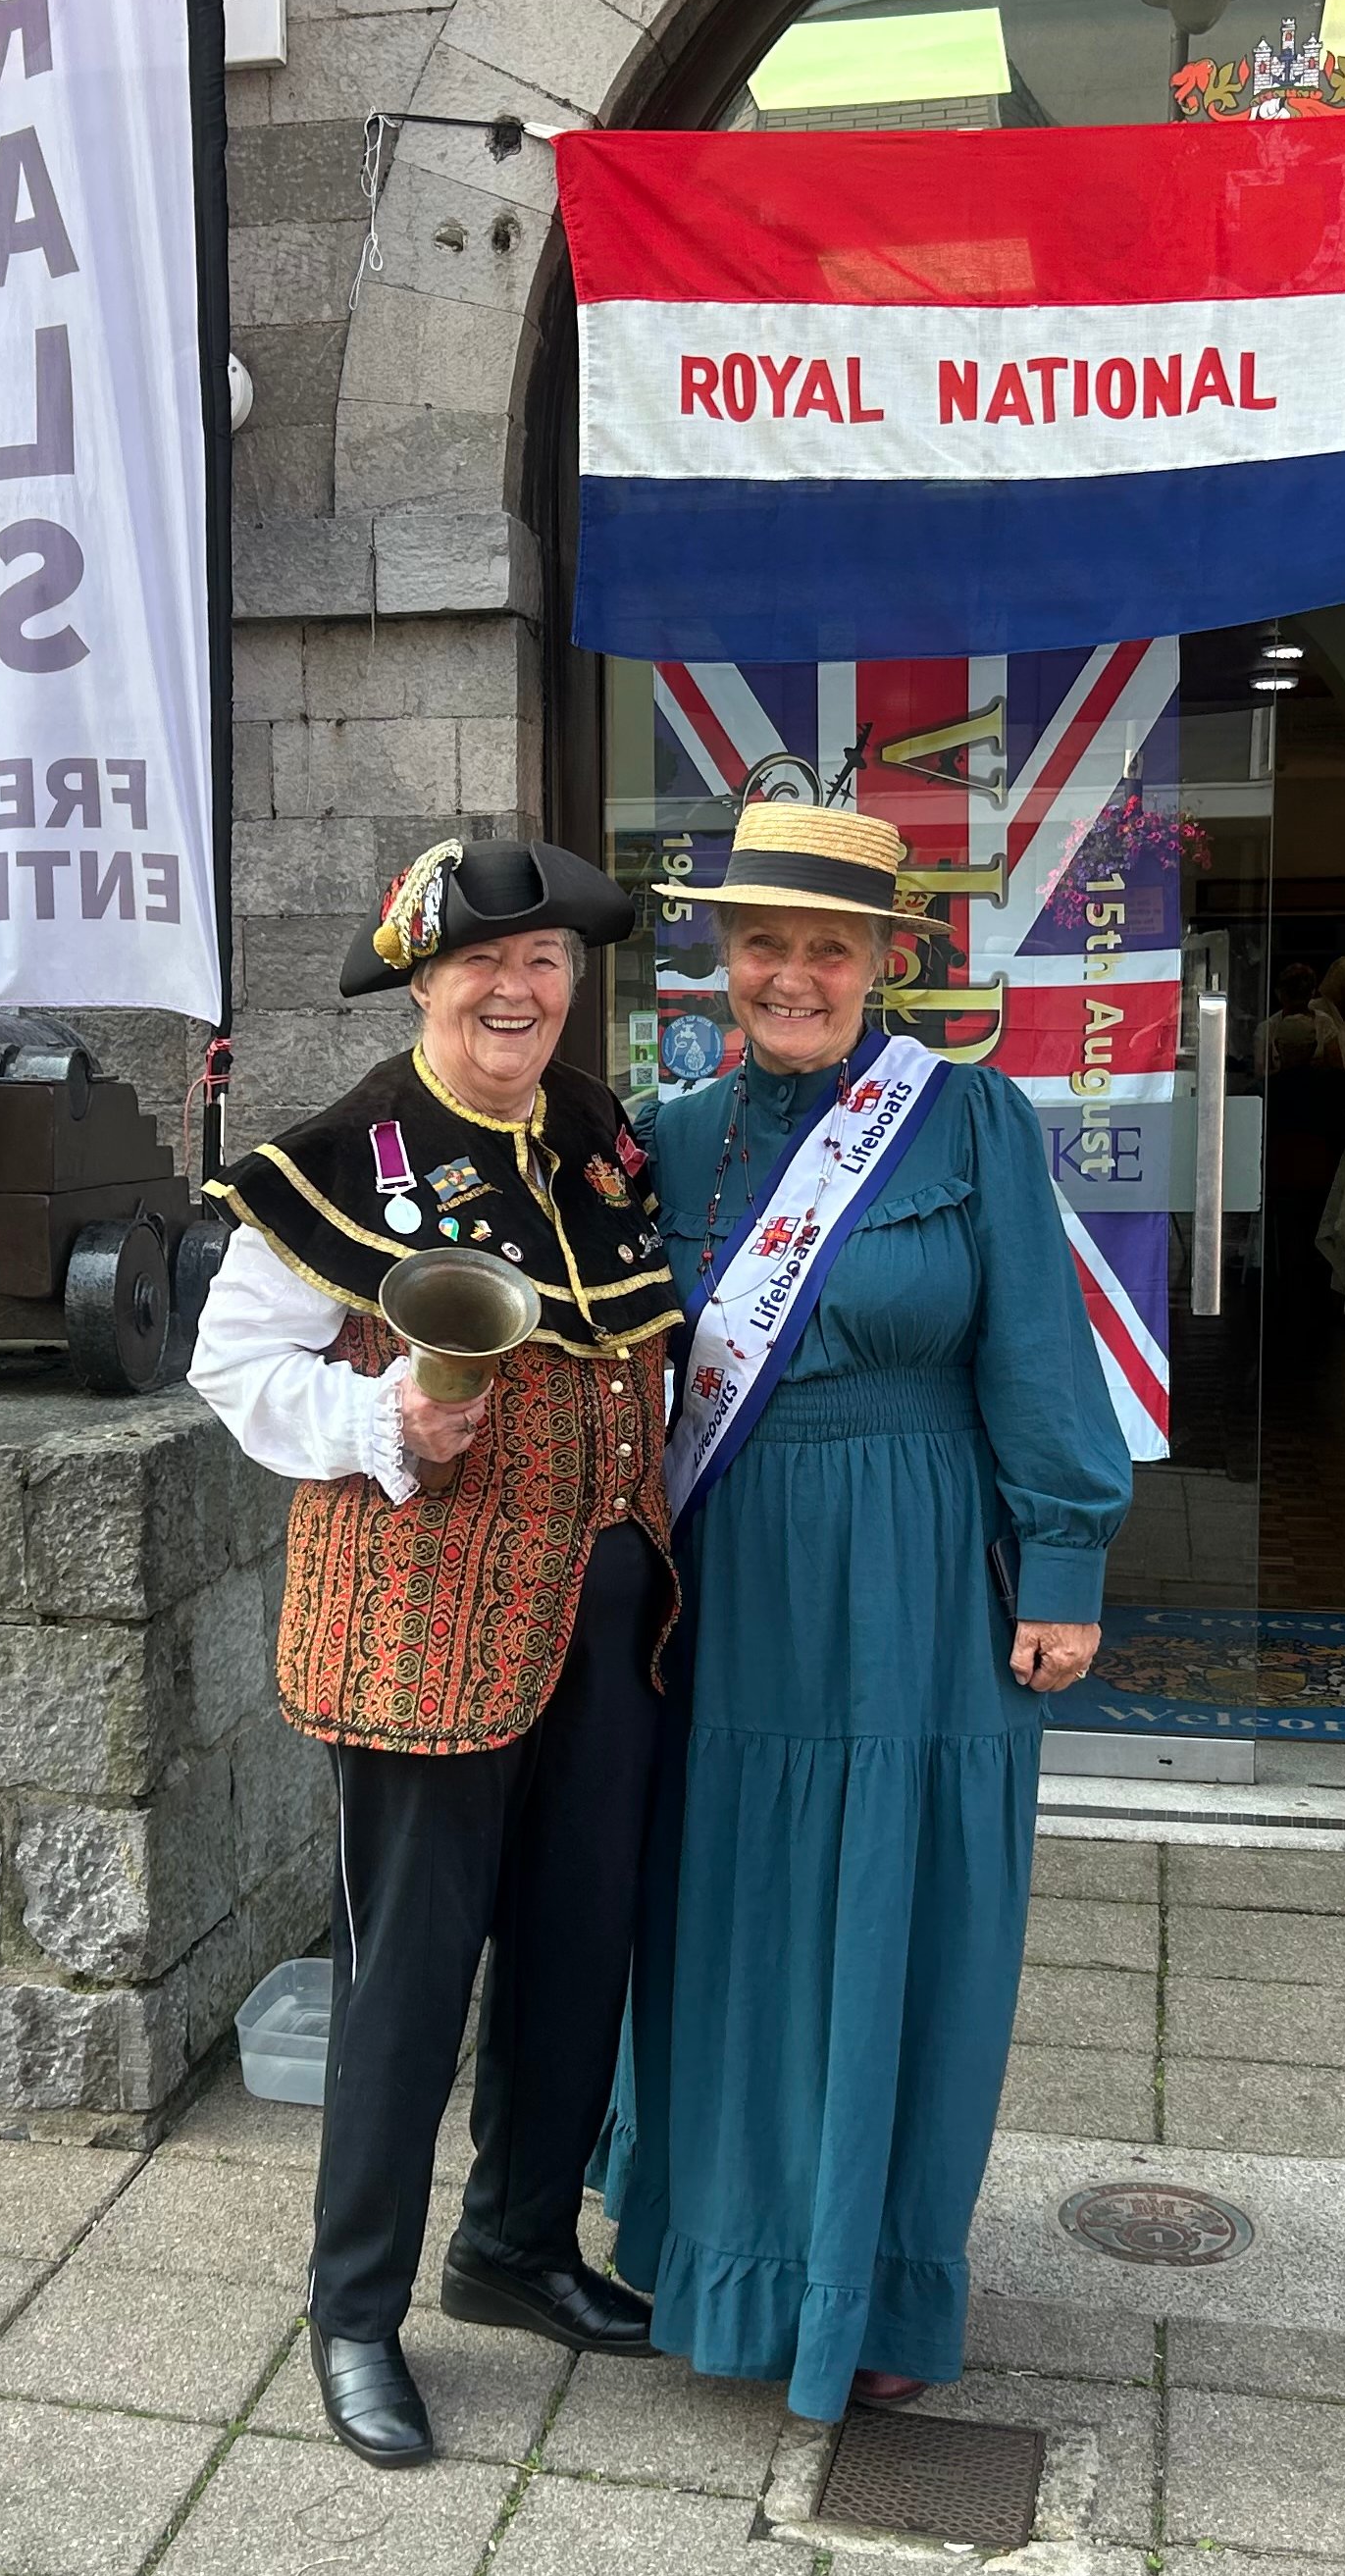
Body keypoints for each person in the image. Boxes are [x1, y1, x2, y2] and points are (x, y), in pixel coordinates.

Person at [604, 799, 1134, 2419]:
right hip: (733, 1593)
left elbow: (1037, 1350)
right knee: (735, 1911)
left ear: (887, 964)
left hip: (916, 1586)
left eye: (830, 947)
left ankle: (878, 2285)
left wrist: (1066, 1561)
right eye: (763, 942)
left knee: (908, 1923)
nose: (792, 975)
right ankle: (722, 2262)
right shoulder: (667, 1140)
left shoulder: (969, 1121)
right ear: (722, 954)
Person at [190, 837, 683, 2467]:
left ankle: (518, 2244)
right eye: (484, 963)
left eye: (546, 962)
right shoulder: (340, 1153)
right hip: (424, 1626)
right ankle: (353, 2310)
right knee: (404, 1984)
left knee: (574, 1949)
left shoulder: (602, 1135)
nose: (517, 989)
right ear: (422, 979)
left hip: (608, 1625)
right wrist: (378, 1417)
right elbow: (232, 1368)